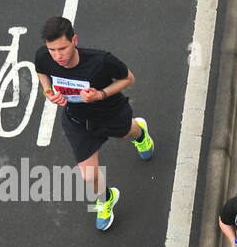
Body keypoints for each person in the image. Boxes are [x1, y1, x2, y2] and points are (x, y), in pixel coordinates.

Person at [34, 16, 154, 231]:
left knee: (128, 132)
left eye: (62, 48)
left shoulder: (101, 61)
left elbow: (129, 79)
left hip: (110, 113)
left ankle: (141, 134)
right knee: (89, 176)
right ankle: (106, 199)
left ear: (75, 40)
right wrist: (49, 92)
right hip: (78, 121)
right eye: (52, 50)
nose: (57, 56)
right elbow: (42, 72)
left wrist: (100, 94)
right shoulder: (44, 56)